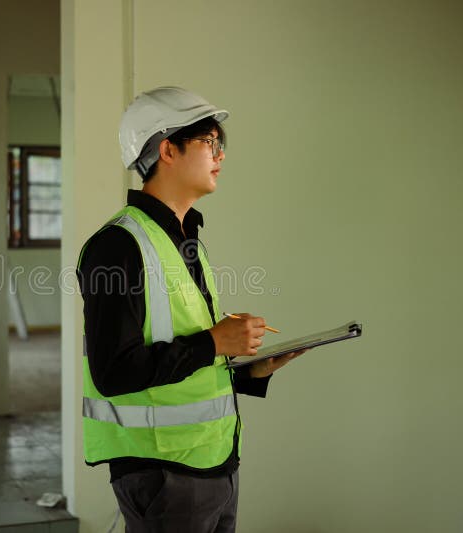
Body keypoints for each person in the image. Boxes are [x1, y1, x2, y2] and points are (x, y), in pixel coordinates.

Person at [77, 86, 306, 533]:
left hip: (214, 461)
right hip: (163, 473)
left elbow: (182, 359)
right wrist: (215, 342)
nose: (221, 154)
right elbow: (113, 372)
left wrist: (248, 372)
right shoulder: (118, 246)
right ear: (168, 150)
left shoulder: (186, 241)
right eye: (209, 142)